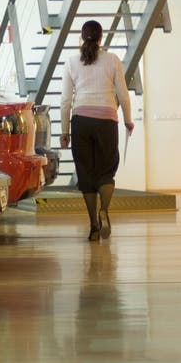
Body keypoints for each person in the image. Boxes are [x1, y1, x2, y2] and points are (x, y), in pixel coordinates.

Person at [59, 19, 135, 241]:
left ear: (82, 38)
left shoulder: (72, 62)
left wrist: (65, 132)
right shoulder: (112, 60)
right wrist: (128, 120)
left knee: (86, 173)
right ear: (101, 38)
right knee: (106, 171)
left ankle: (93, 224)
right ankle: (105, 210)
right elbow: (123, 94)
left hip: (80, 121)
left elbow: (65, 100)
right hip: (106, 121)